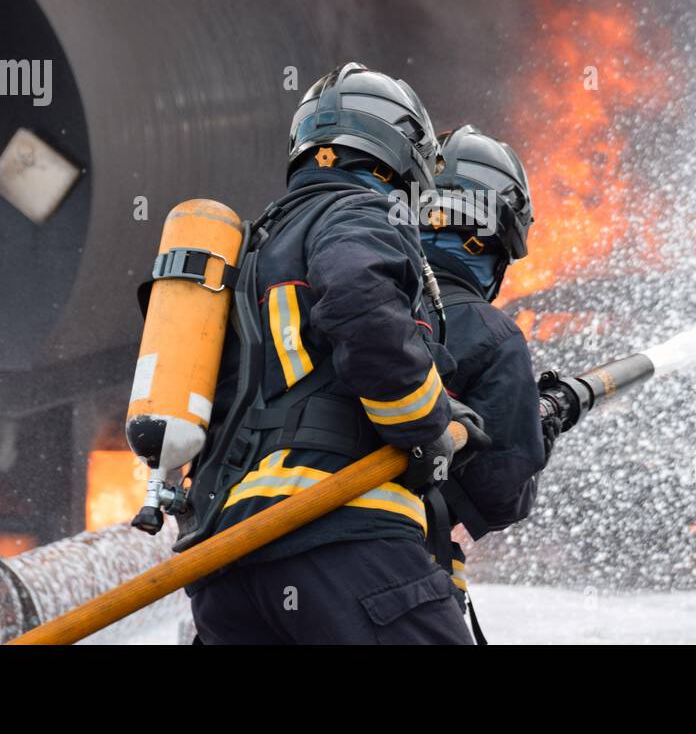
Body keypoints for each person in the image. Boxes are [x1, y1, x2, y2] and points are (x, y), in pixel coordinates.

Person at [181, 62, 488, 644]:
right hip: (339, 538)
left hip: (226, 566)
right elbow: (358, 300)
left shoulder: (245, 252)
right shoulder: (356, 210)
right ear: (402, 157)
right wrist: (426, 430)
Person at [417, 125, 547, 642]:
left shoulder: (336, 294)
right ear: (491, 244)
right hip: (387, 578)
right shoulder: (492, 334)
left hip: (245, 571)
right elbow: (499, 495)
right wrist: (536, 429)